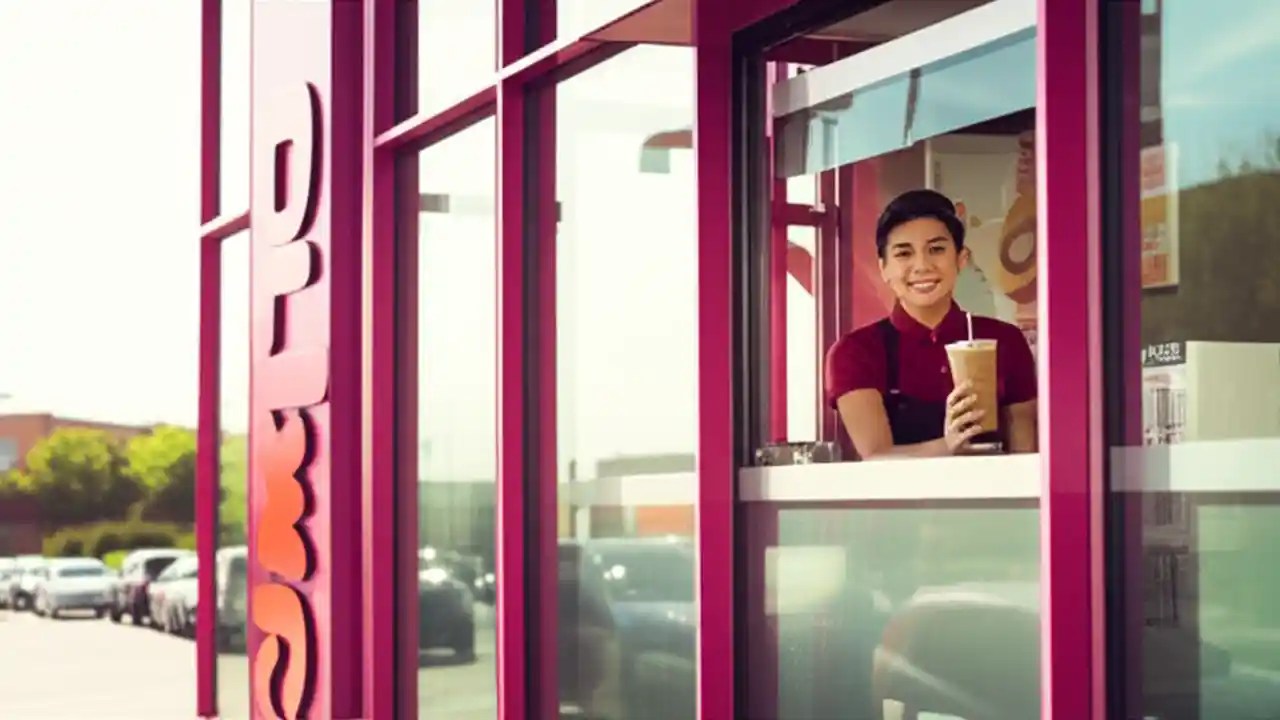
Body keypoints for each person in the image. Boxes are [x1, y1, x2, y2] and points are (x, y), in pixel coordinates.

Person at [825, 189, 1037, 459]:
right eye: (904, 254)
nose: (922, 266)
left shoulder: (1004, 340)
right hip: (900, 500)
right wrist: (947, 445)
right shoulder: (855, 352)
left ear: (961, 259)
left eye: (936, 249)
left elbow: (1025, 454)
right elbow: (877, 456)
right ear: (884, 268)